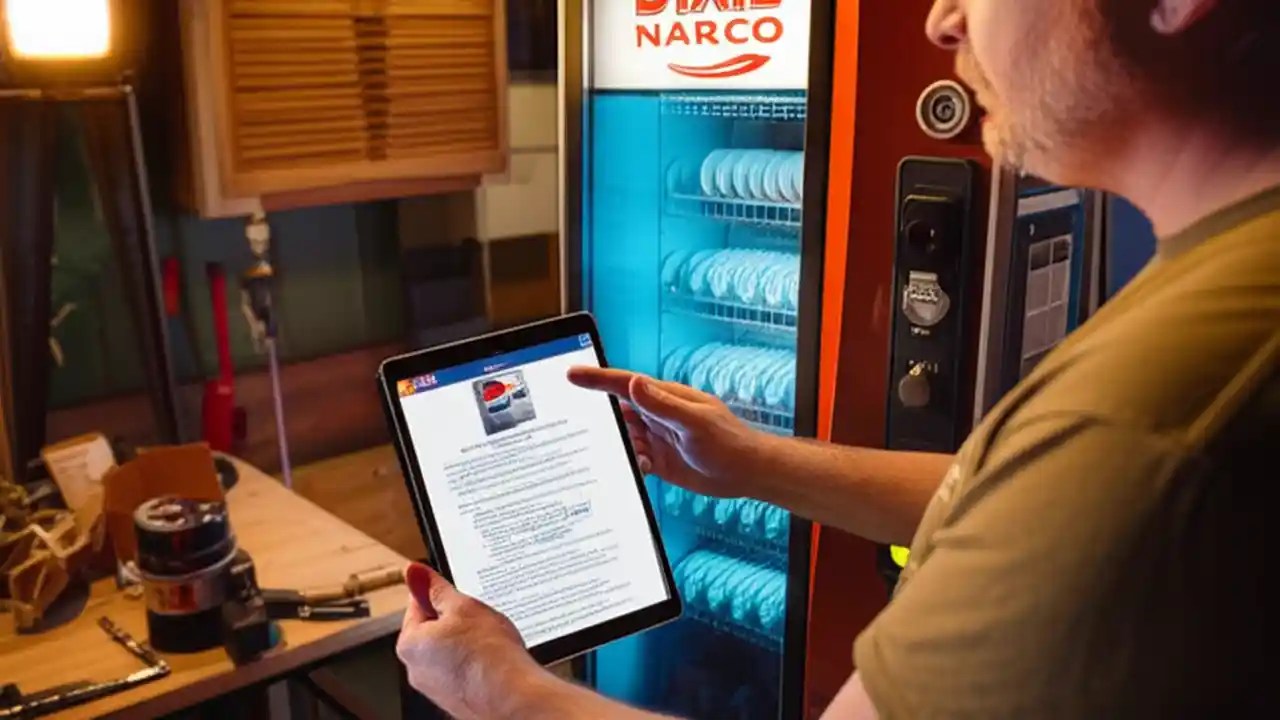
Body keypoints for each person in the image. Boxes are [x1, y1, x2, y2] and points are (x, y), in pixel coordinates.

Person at [395, 0, 1278, 716]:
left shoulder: (1142, 416)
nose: (941, 21)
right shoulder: (1222, 282)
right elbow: (1029, 499)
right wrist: (754, 461)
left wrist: (499, 692)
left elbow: (1094, 475)